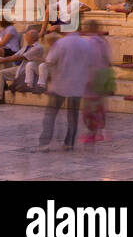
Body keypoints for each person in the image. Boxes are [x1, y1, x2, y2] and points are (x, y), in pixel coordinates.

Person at [39, 23, 107, 151]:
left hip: (60, 84)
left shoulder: (61, 43)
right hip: (77, 85)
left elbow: (50, 61)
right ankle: (69, 143)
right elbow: (91, 63)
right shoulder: (86, 44)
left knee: (51, 114)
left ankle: (45, 143)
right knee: (73, 115)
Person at [0, 27, 41, 105]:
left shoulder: (38, 48)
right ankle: (1, 86)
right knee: (0, 62)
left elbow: (21, 57)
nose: (25, 37)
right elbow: (15, 55)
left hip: (26, 70)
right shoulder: (27, 46)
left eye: (27, 36)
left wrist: (2, 60)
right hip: (19, 67)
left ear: (32, 37)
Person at [80, 21, 114, 143]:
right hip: (102, 77)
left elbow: (86, 62)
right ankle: (101, 132)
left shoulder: (88, 43)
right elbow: (108, 60)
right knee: (99, 106)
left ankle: (92, 133)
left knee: (90, 108)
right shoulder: (103, 42)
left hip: (91, 78)